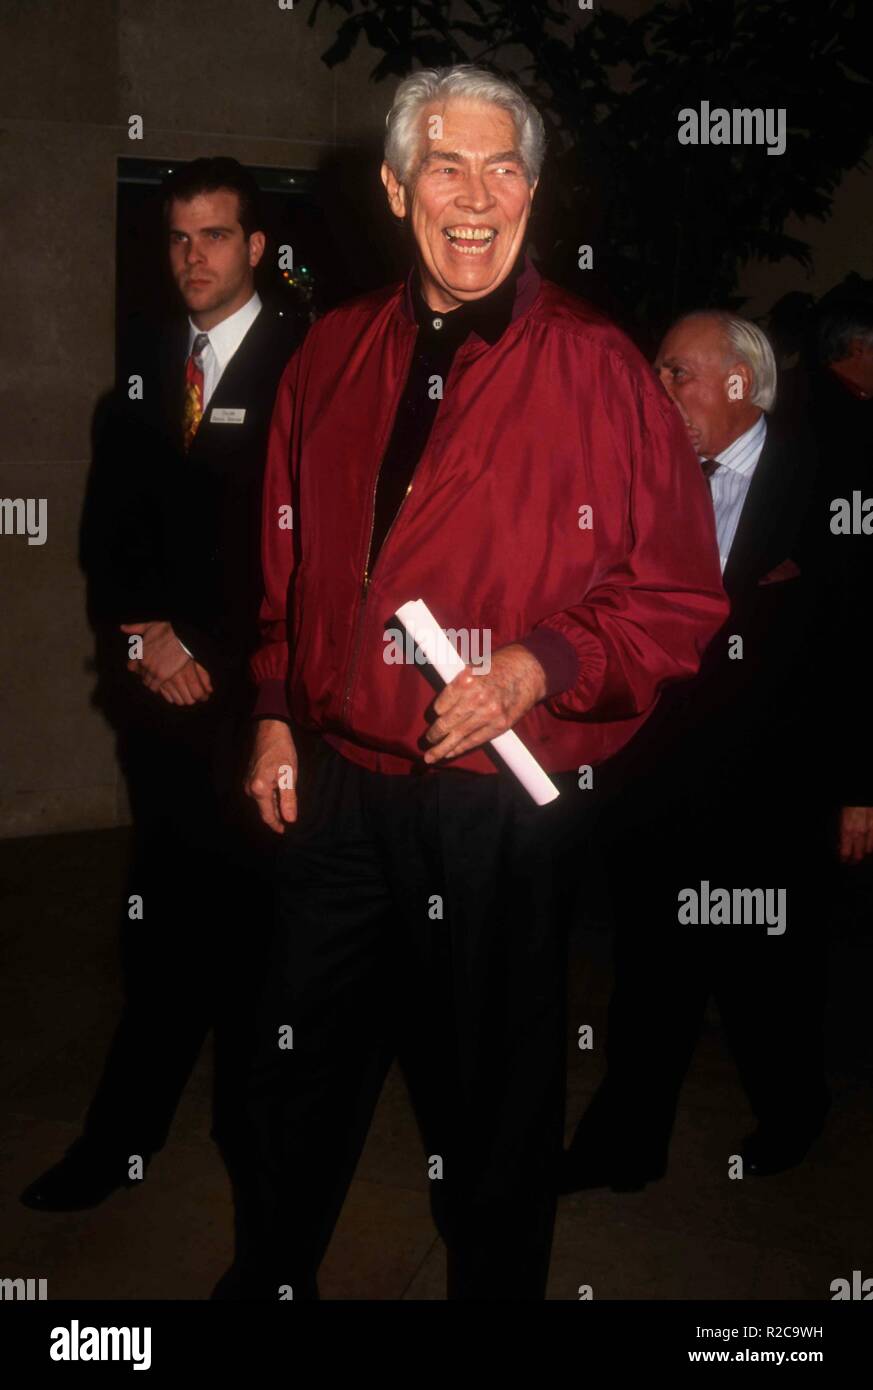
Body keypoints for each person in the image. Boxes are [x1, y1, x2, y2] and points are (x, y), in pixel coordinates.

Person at [212, 66, 727, 1301]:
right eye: (448, 164)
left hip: (491, 801)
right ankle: (271, 1274)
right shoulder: (329, 353)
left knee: (493, 1098)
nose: (478, 196)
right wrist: (277, 712)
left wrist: (543, 662)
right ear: (397, 186)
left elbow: (676, 598)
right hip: (341, 786)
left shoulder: (603, 371)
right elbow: (288, 562)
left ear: (534, 194)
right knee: (290, 1070)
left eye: (507, 169)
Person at [22, 158, 301, 1213]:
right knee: (162, 929)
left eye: (216, 236)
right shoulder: (146, 364)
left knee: (254, 942)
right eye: (180, 238)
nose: (194, 257)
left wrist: (210, 653)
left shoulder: (310, 364)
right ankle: (121, 1139)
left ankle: (253, 1149)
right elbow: (108, 532)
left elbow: (304, 551)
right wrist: (141, 637)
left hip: (259, 706)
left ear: (257, 248)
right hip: (159, 707)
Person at [561, 312, 845, 1195]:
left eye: (677, 372)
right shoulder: (645, 478)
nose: (659, 389)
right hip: (657, 779)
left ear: (740, 383)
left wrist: (861, 785)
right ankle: (622, 1149)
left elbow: (859, 639)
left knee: (765, 973)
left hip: (773, 785)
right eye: (657, 371)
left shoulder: (825, 478)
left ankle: (791, 1115)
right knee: (652, 972)